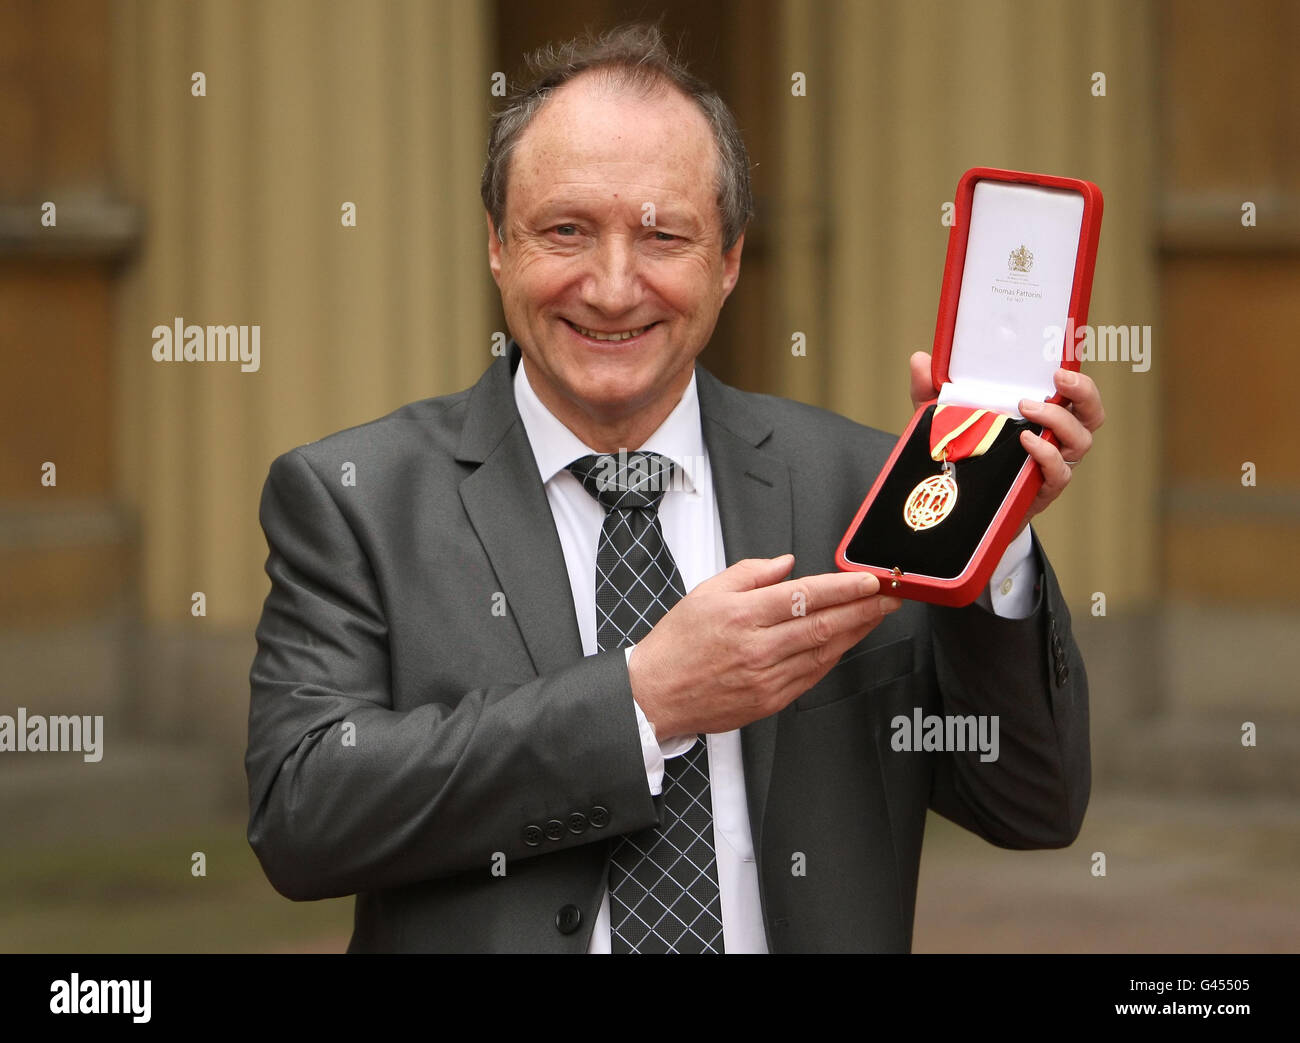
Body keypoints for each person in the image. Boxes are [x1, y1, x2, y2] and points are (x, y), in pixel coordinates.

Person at [245, 23, 1099, 953]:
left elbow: (1029, 803)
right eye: (566, 230)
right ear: (497, 244)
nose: (613, 289)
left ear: (728, 259)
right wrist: (642, 700)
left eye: (663, 235)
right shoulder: (357, 498)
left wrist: (993, 523)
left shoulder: (865, 492)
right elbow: (303, 814)